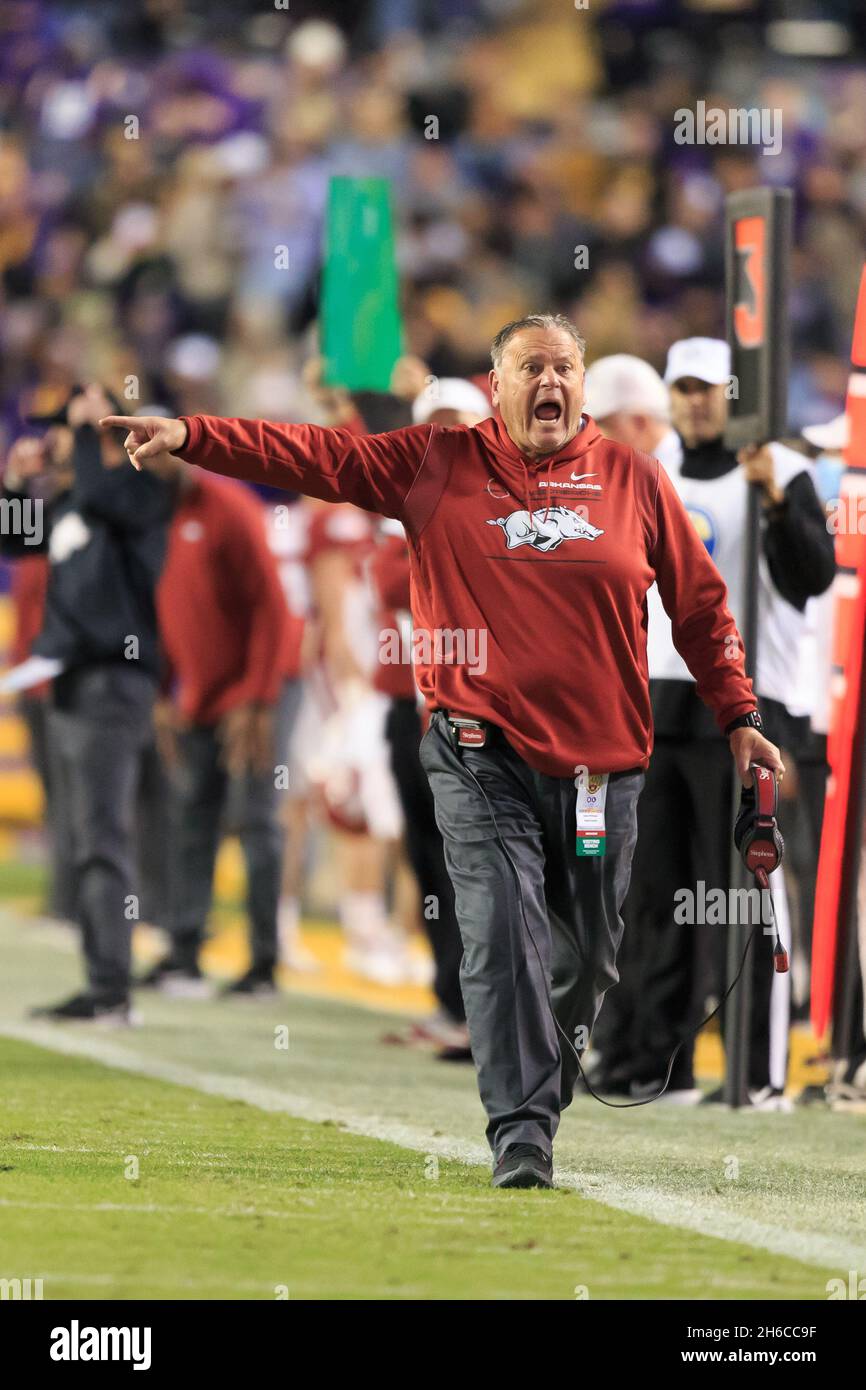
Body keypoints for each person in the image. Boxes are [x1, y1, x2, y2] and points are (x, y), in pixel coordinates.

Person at [100, 313, 782, 1188]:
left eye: (564, 368)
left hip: (599, 771)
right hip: (477, 751)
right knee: (501, 938)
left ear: (582, 384)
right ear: (495, 387)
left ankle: (540, 1082)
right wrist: (193, 435)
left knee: (588, 957)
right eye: (530, 368)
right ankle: (522, 1135)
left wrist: (739, 715)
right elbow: (313, 454)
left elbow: (701, 609)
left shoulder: (636, 481)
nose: (550, 383)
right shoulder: (437, 463)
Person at [592, 340, 835, 1106]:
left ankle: (757, 1071)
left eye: (709, 389)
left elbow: (811, 579)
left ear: (736, 395)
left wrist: (770, 498)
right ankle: (660, 1062)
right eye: (684, 389)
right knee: (660, 895)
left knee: (749, 895)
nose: (697, 403)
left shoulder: (779, 469)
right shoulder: (650, 471)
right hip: (660, 706)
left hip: (749, 711)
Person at [2, 385, 173, 1025]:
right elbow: (14, 541)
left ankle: (111, 991)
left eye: (65, 429)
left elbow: (107, 495)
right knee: (82, 838)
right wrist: (17, 487)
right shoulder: (77, 502)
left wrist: (85, 431)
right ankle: (101, 982)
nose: (51, 441)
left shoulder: (139, 493)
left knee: (103, 836)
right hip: (71, 679)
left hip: (113, 680)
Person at [140, 453, 302, 998]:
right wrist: (163, 691)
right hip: (199, 694)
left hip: (252, 694)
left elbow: (274, 608)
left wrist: (256, 701)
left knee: (256, 821)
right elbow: (157, 610)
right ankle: (184, 950)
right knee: (191, 817)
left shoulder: (230, 508)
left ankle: (263, 964)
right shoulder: (149, 515)